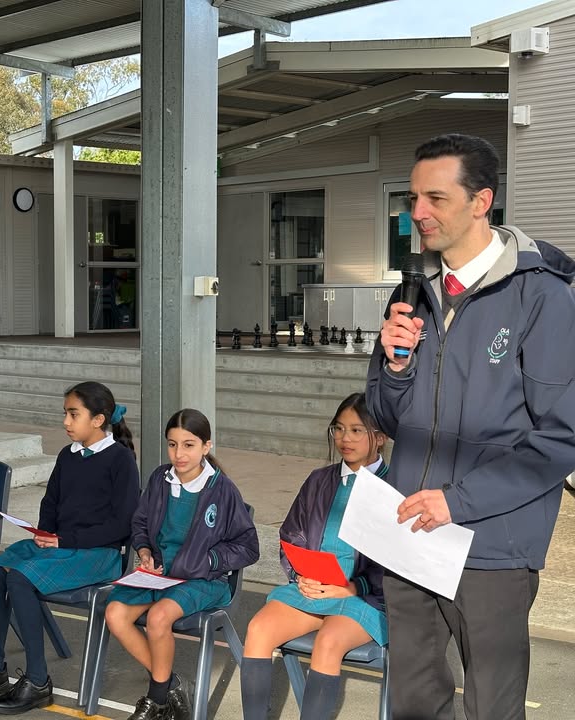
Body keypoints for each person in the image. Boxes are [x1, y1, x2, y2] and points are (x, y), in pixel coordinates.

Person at [367, 133, 575, 719]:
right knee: (414, 701)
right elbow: (384, 417)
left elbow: (561, 438)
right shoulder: (414, 294)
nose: (418, 214)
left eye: (435, 198)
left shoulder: (543, 298)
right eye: (413, 198)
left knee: (492, 705)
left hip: (492, 546)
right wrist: (396, 366)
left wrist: (457, 502)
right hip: (410, 535)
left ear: (481, 202)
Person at [0, 381, 140, 714]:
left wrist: (63, 541)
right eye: (66, 414)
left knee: (19, 578)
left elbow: (122, 526)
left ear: (99, 419)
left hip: (99, 555)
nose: (66, 422)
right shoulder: (67, 455)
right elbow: (51, 502)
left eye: (74, 414)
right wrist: (43, 533)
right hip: (61, 546)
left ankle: (38, 680)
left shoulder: (120, 460)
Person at [240, 393, 389, 720]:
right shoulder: (319, 481)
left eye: (355, 430)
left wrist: (354, 587)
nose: (344, 439)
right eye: (338, 429)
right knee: (258, 629)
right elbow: (291, 535)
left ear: (379, 437)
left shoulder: (395, 488)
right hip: (314, 587)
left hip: (367, 598)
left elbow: (397, 563)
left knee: (328, 643)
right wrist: (299, 575)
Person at [104, 409, 259, 720]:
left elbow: (249, 547)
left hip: (205, 581)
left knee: (159, 617)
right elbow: (141, 523)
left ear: (206, 446)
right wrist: (145, 551)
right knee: (115, 613)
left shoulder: (222, 490)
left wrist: (210, 559)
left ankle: (156, 699)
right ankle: (172, 684)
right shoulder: (160, 480)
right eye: (172, 445)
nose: (179, 454)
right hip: (161, 576)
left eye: (189, 445)